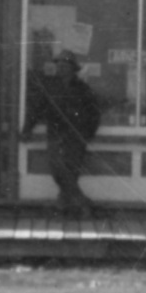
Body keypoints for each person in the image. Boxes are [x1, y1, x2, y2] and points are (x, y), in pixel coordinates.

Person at [22, 50, 101, 217]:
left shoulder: (82, 89)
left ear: (73, 69)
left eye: (66, 66)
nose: (62, 68)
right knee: (57, 169)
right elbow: (36, 109)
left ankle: (63, 205)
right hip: (55, 133)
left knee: (70, 170)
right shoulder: (49, 87)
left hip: (75, 136)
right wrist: (27, 129)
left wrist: (88, 133)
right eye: (59, 65)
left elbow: (94, 113)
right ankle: (82, 201)